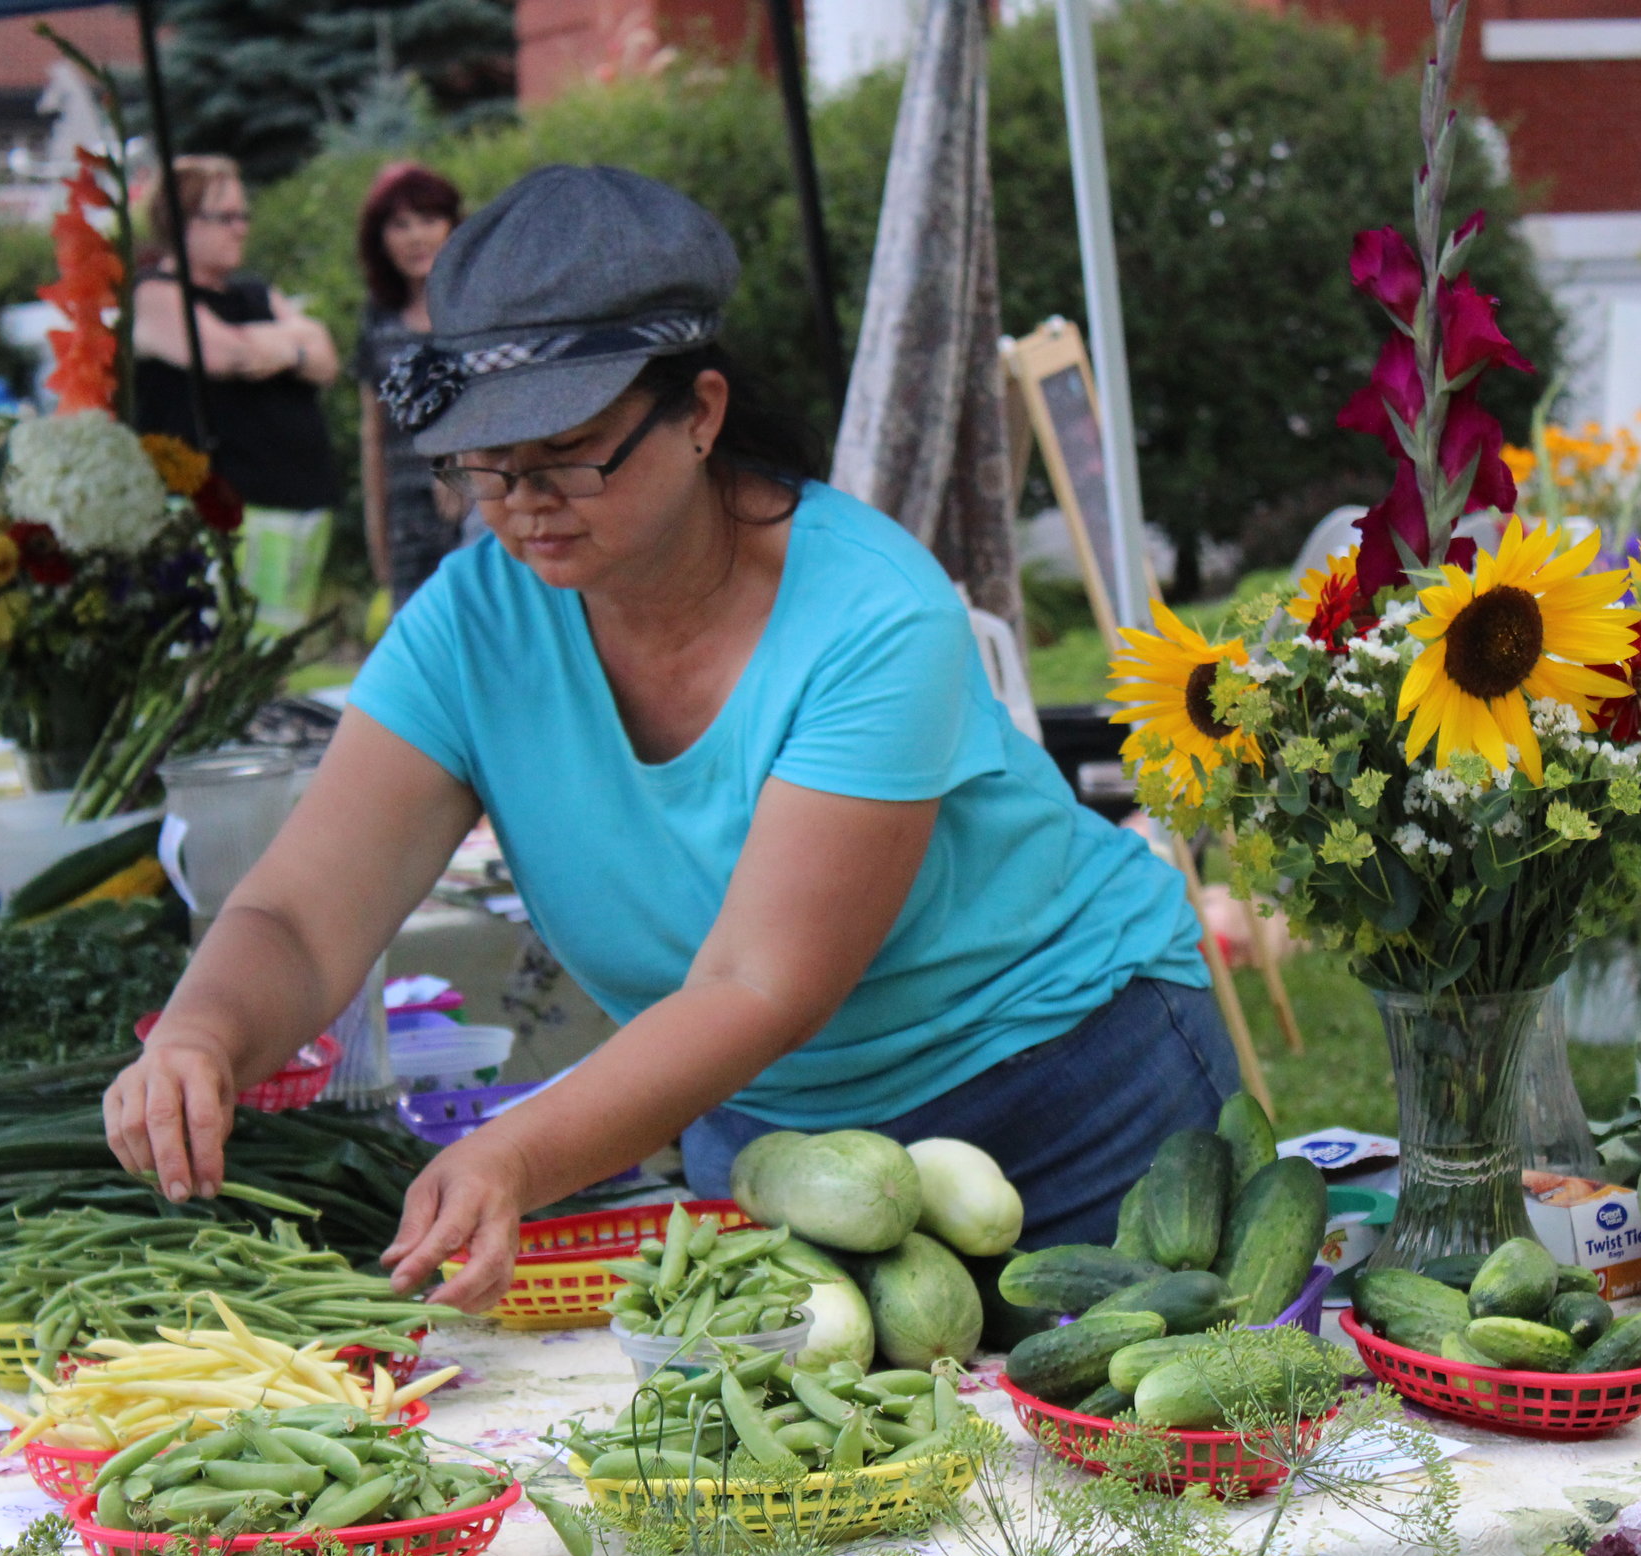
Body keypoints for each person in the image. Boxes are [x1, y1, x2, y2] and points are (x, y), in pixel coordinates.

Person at [104, 166, 1236, 1313]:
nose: (521, 502)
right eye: (482, 466)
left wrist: (516, 1150)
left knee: (1121, 1459)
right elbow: (299, 915)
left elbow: (758, 983)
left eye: (568, 453)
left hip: (1065, 1088)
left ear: (699, 412)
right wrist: (203, 1033)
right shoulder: (470, 624)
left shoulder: (870, 611)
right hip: (773, 1131)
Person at [132, 155, 342, 632]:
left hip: (294, 504)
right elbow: (224, 355)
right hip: (211, 516)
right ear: (180, 221)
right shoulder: (155, 294)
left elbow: (326, 356)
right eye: (225, 217)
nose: (241, 228)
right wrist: (291, 346)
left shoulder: (255, 293)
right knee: (211, 662)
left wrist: (277, 351)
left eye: (243, 215)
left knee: (269, 664)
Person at [353, 163, 466, 607]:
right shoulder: (377, 322)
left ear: (453, 227)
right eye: (400, 225)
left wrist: (459, 462)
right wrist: (377, 533)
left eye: (429, 220)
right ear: (380, 239)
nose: (416, 236)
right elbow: (372, 436)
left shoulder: (480, 313)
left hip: (480, 505)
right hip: (406, 518)